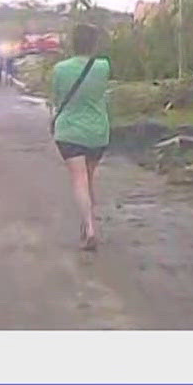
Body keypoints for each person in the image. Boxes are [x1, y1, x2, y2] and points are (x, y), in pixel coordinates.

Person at [48, 23, 111, 251]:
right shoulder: (103, 66)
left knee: (79, 179)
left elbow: (56, 99)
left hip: (70, 131)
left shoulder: (60, 69)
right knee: (89, 178)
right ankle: (89, 224)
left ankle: (89, 228)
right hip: (97, 131)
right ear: (94, 43)